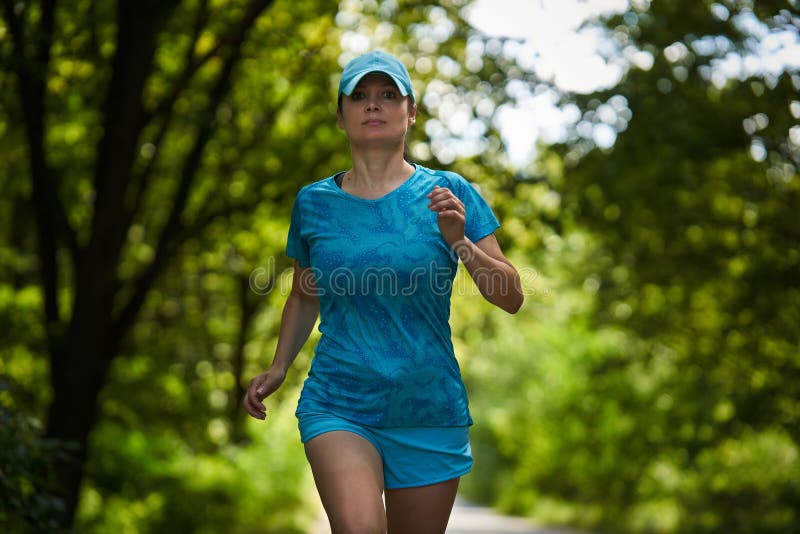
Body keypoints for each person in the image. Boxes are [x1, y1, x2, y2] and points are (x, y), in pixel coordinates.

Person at [243, 50, 523, 534]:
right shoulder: (314, 204)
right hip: (340, 401)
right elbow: (305, 294)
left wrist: (458, 242)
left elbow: (511, 295)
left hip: (427, 408)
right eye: (361, 96)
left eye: (388, 95)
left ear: (410, 112)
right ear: (341, 116)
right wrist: (279, 365)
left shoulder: (449, 193)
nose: (374, 105)